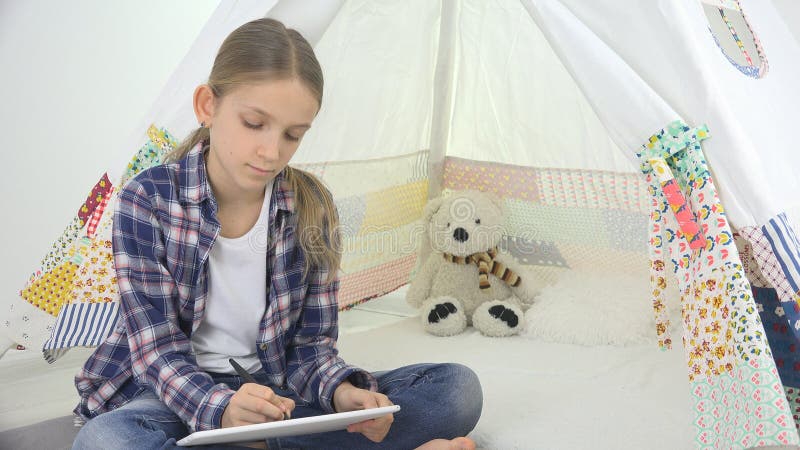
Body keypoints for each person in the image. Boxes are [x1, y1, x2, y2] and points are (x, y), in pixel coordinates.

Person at [71, 17, 482, 450]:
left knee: (455, 390)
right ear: (208, 105)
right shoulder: (147, 199)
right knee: (106, 441)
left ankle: (258, 443)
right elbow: (156, 350)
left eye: (292, 135)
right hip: (170, 395)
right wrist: (222, 409)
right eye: (254, 123)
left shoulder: (312, 207)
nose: (272, 151)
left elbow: (311, 348)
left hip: (275, 394)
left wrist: (343, 392)